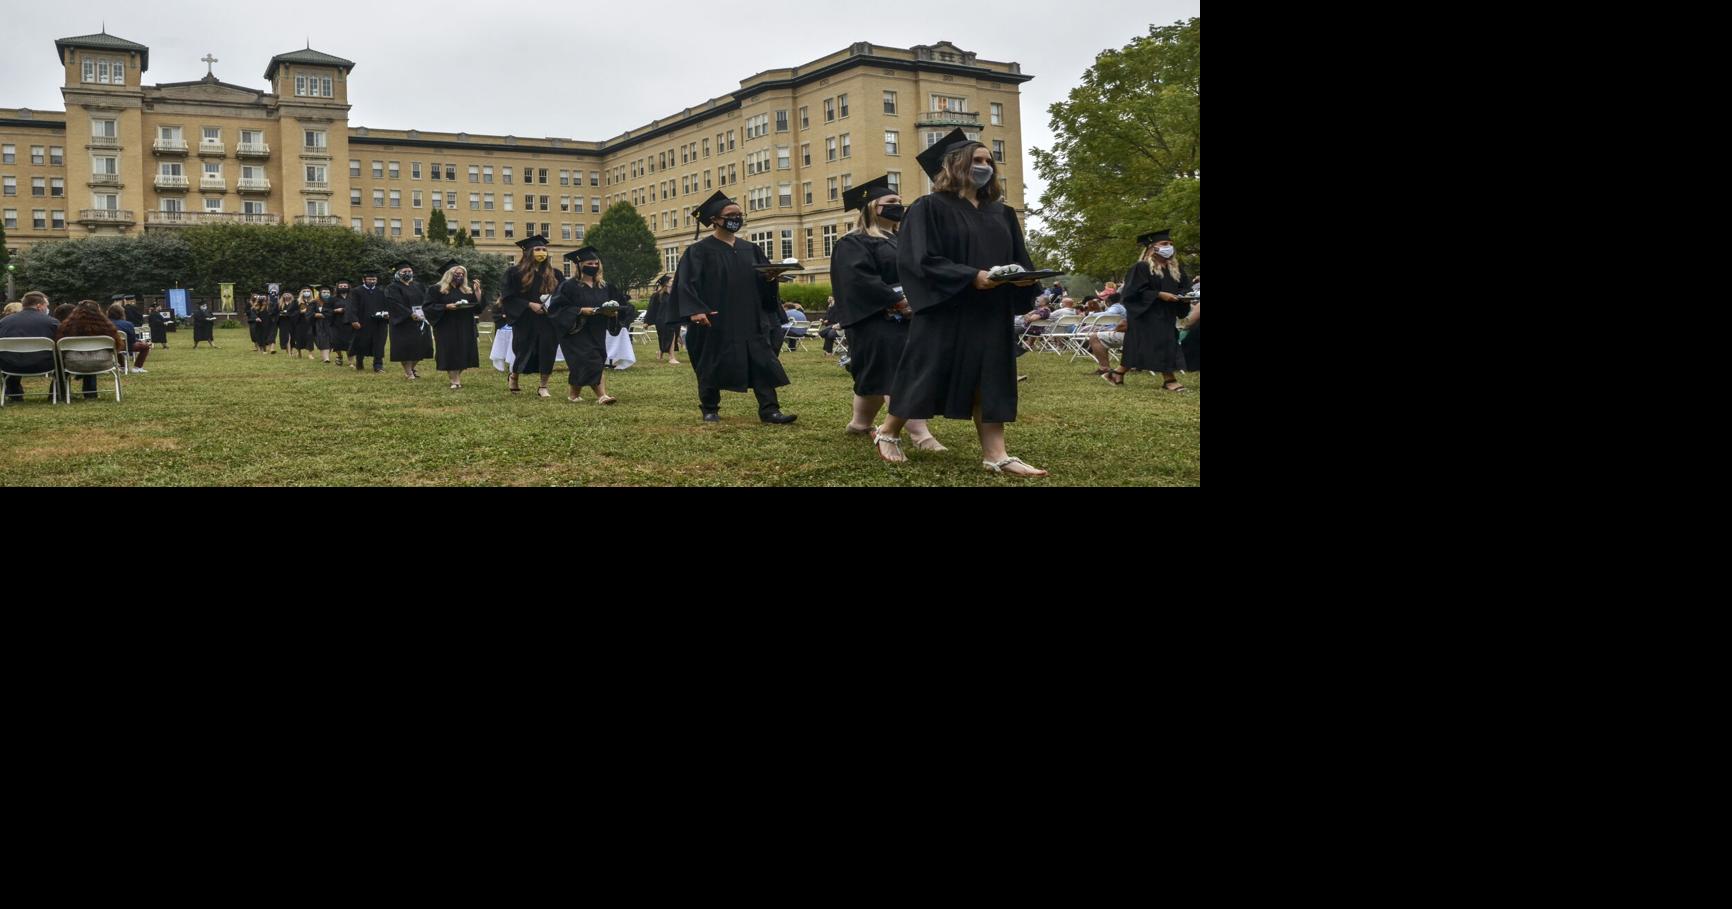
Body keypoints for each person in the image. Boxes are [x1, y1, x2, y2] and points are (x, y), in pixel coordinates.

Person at [871, 128, 1046, 476]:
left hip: (991, 308)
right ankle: (888, 431)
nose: (984, 166)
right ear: (954, 165)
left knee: (992, 376)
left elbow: (1019, 258)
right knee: (925, 371)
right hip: (945, 306)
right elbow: (918, 259)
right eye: (976, 160)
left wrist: (1024, 278)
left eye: (989, 161)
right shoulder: (928, 207)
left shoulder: (1003, 213)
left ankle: (996, 454)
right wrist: (970, 276)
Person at [829, 174, 943, 449]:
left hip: (910, 314)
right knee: (895, 372)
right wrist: (897, 301)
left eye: (900, 201)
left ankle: (859, 423)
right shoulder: (853, 242)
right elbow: (857, 280)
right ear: (872, 207)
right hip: (875, 317)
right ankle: (920, 434)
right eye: (891, 201)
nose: (898, 205)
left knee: (877, 373)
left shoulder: (902, 240)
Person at [668, 190, 795, 424]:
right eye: (730, 215)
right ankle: (710, 408)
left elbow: (764, 282)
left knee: (762, 362)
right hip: (715, 319)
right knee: (710, 362)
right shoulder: (699, 251)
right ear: (715, 219)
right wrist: (695, 310)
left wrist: (770, 279)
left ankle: (770, 410)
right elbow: (686, 284)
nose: (736, 218)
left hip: (750, 318)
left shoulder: (752, 249)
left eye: (739, 214)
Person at [1105, 229, 1190, 391]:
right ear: (1153, 247)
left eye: (1170, 244)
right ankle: (1169, 379)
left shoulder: (1175, 268)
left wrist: (1185, 296)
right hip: (1146, 313)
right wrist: (1159, 294)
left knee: (1145, 346)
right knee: (1160, 344)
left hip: (1167, 313)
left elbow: (1185, 287)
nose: (1169, 247)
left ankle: (1117, 373)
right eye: (1164, 243)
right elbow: (1132, 292)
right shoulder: (1141, 267)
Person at [551, 247, 636, 404]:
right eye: (589, 263)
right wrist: (580, 310)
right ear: (580, 265)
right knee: (590, 360)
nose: (594, 266)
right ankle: (602, 396)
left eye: (596, 263)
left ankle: (573, 395)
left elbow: (624, 306)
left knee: (590, 360)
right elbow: (557, 308)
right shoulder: (568, 286)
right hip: (575, 330)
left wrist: (613, 313)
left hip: (597, 330)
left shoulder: (605, 286)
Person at [499, 235, 561, 397]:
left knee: (548, 350)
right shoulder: (514, 273)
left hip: (548, 320)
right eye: (537, 249)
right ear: (528, 252)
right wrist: (529, 305)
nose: (542, 252)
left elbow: (562, 297)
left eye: (544, 249)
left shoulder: (555, 274)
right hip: (525, 319)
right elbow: (508, 297)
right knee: (523, 350)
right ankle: (514, 377)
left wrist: (551, 307)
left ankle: (543, 386)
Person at [424, 259, 484, 389]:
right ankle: (455, 380)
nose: (460, 276)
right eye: (457, 274)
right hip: (446, 325)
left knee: (464, 351)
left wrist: (477, 293)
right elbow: (428, 307)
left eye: (462, 274)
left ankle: (456, 377)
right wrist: (445, 306)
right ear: (449, 274)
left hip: (465, 325)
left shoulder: (466, 290)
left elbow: (477, 308)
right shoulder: (436, 289)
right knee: (450, 351)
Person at [0, 291, 61, 402]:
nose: (47, 309)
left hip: (9, 366)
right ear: (39, 306)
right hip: (44, 365)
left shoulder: (4, 322)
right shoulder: (52, 322)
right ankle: (57, 393)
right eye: (46, 306)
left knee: (7, 355)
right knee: (61, 358)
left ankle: (14, 394)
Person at [56, 300, 123, 400]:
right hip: (102, 363)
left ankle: (62, 392)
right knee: (93, 355)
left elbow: (59, 347)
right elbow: (116, 346)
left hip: (73, 363)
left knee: (85, 356)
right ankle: (91, 393)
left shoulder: (66, 327)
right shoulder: (107, 328)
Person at [384, 260, 433, 379]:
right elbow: (394, 304)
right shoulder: (392, 287)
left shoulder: (418, 286)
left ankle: (411, 368)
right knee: (406, 347)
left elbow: (427, 300)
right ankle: (408, 372)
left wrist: (426, 312)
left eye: (410, 271)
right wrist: (409, 314)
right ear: (397, 273)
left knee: (422, 346)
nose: (408, 273)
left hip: (420, 320)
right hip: (403, 322)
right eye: (404, 271)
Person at [350, 271, 389, 373]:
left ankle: (378, 365)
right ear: (364, 280)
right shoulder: (356, 291)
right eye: (369, 279)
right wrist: (354, 320)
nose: (372, 281)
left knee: (379, 343)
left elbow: (386, 305)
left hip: (379, 322)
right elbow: (352, 307)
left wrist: (387, 314)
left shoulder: (381, 291)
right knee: (361, 342)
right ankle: (359, 361)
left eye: (374, 279)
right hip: (363, 321)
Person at [641, 273, 681, 364]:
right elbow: (652, 309)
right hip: (662, 320)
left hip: (673, 319)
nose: (673, 282)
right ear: (666, 283)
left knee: (670, 336)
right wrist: (647, 322)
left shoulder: (674, 294)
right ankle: (672, 357)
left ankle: (660, 352)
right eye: (671, 281)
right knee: (670, 336)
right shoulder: (657, 295)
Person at [107, 302, 150, 373]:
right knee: (145, 346)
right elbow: (132, 340)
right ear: (122, 313)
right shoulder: (128, 324)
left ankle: (123, 367)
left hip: (108, 347)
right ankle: (137, 367)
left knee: (118, 345)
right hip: (125, 346)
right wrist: (139, 341)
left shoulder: (104, 324)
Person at [328, 280, 354, 367]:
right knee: (336, 342)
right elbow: (326, 310)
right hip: (336, 323)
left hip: (349, 323)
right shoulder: (332, 299)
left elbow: (357, 308)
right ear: (337, 288)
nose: (343, 288)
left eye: (345, 286)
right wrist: (335, 311)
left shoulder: (353, 298)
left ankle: (351, 362)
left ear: (348, 287)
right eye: (341, 286)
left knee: (349, 343)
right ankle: (339, 356)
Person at [310, 285, 337, 364]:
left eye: (328, 292)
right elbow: (309, 313)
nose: (326, 294)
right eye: (324, 292)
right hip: (319, 324)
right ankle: (326, 359)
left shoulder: (334, 302)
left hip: (331, 324)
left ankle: (326, 357)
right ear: (320, 293)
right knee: (322, 340)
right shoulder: (314, 302)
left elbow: (335, 311)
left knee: (330, 341)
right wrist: (315, 314)